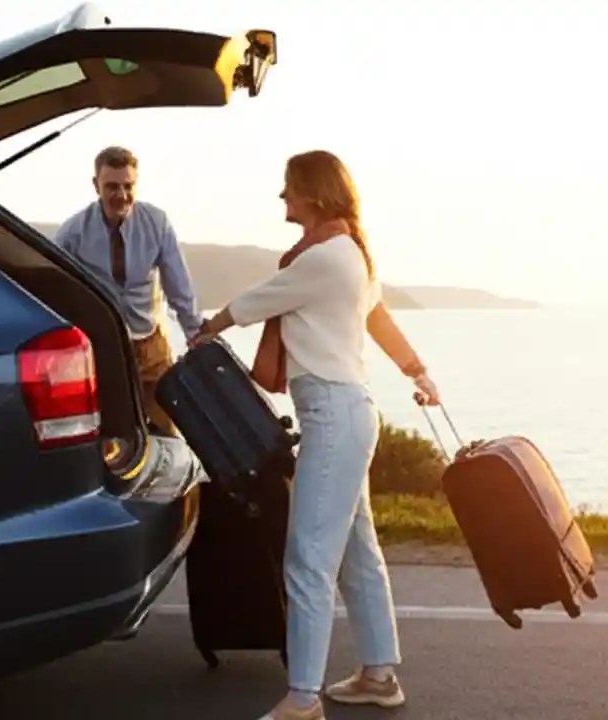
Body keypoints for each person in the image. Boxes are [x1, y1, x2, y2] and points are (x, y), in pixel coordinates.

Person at [188, 150, 441, 720]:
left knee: (307, 560)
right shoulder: (351, 255)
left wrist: (207, 329)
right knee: (357, 551)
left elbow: (254, 302)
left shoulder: (323, 259)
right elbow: (379, 321)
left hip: (333, 414)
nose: (282, 198)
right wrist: (417, 370)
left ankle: (303, 700)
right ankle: (378, 674)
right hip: (348, 412)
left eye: (288, 189)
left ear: (315, 195)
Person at [54, 146, 204, 433]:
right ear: (95, 185)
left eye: (128, 186)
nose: (121, 195)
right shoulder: (72, 233)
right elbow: (56, 294)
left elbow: (179, 288)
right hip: (103, 347)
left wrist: (196, 336)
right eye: (111, 186)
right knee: (115, 435)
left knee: (167, 431)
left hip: (150, 345)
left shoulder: (156, 223)